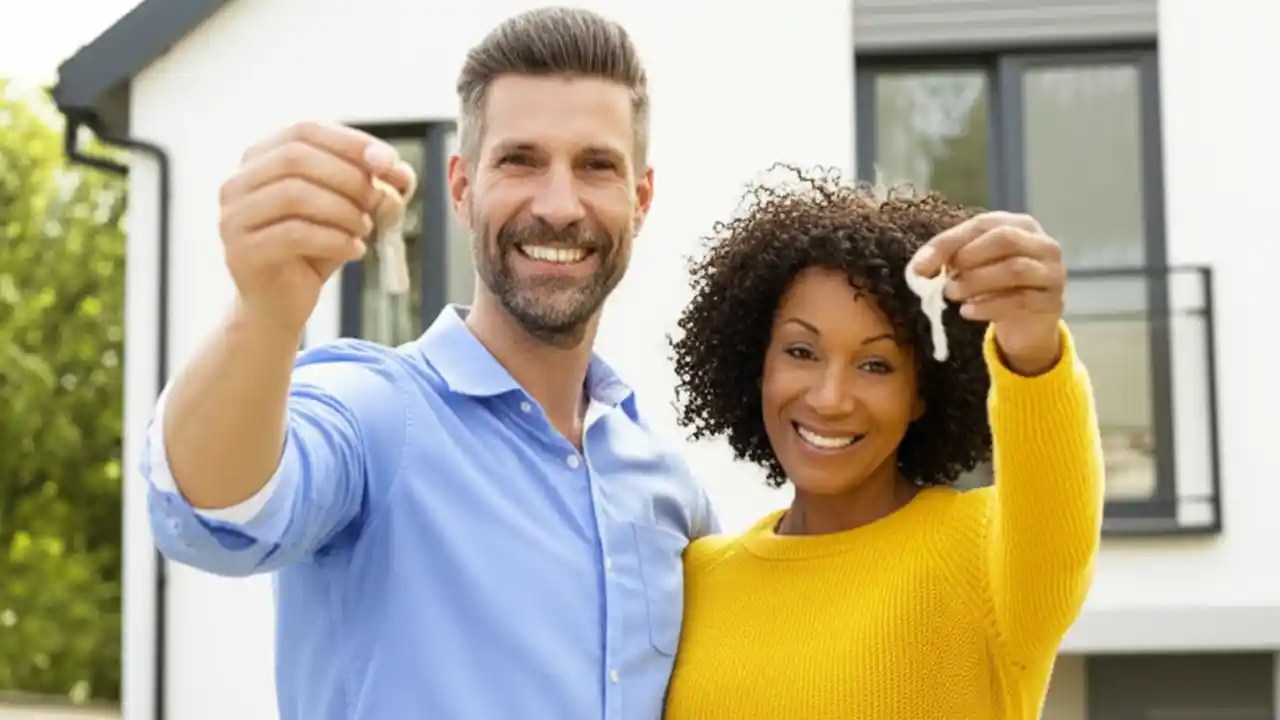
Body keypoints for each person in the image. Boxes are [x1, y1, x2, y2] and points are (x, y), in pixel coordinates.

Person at [142, 7, 717, 719]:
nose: (559, 205)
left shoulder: (668, 488)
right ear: (462, 188)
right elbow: (216, 509)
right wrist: (263, 313)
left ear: (641, 199)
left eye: (595, 166)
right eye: (520, 160)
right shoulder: (376, 415)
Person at [662, 167, 1104, 719]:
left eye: (875, 364)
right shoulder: (697, 579)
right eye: (801, 352)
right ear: (758, 366)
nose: (830, 398)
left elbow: (1057, 507)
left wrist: (1032, 346)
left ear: (921, 393)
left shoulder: (983, 556)